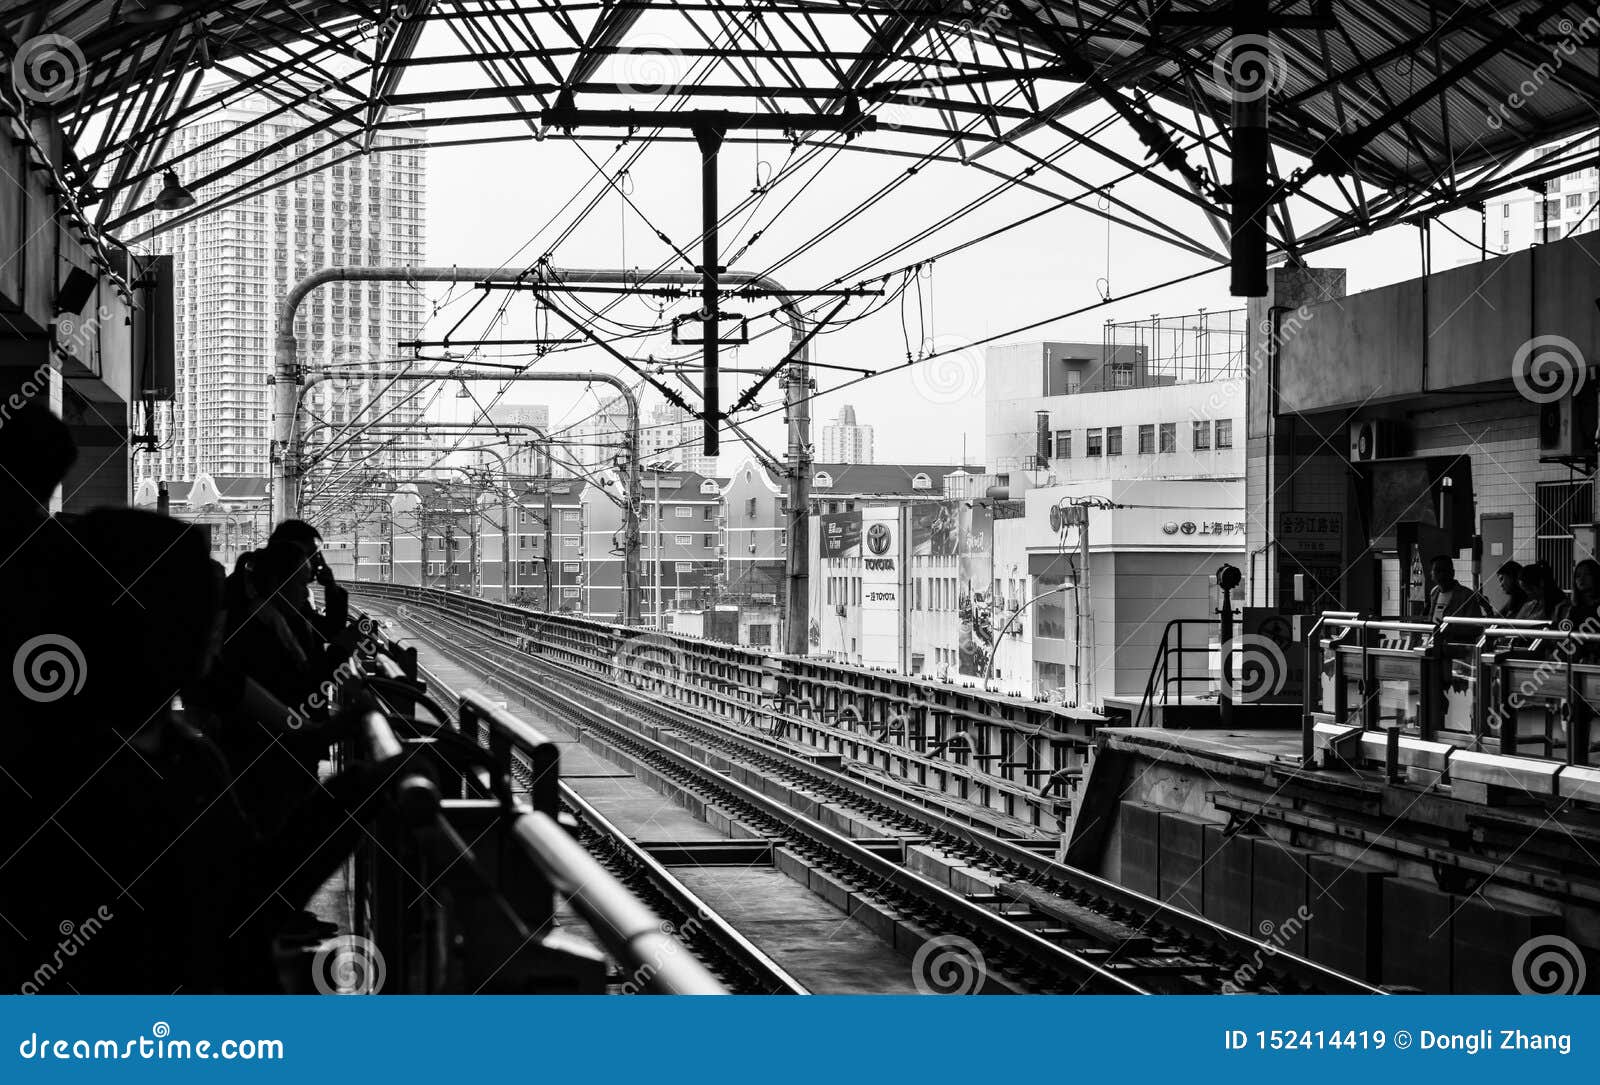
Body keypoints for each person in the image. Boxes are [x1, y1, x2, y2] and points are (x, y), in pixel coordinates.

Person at [1426, 555, 1488, 626]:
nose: (1442, 574)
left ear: (1452, 573)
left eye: (1445, 570)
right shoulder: (1434, 593)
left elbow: (1476, 627)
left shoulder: (1467, 595)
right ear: (1431, 573)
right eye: (1438, 570)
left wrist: (1451, 629)